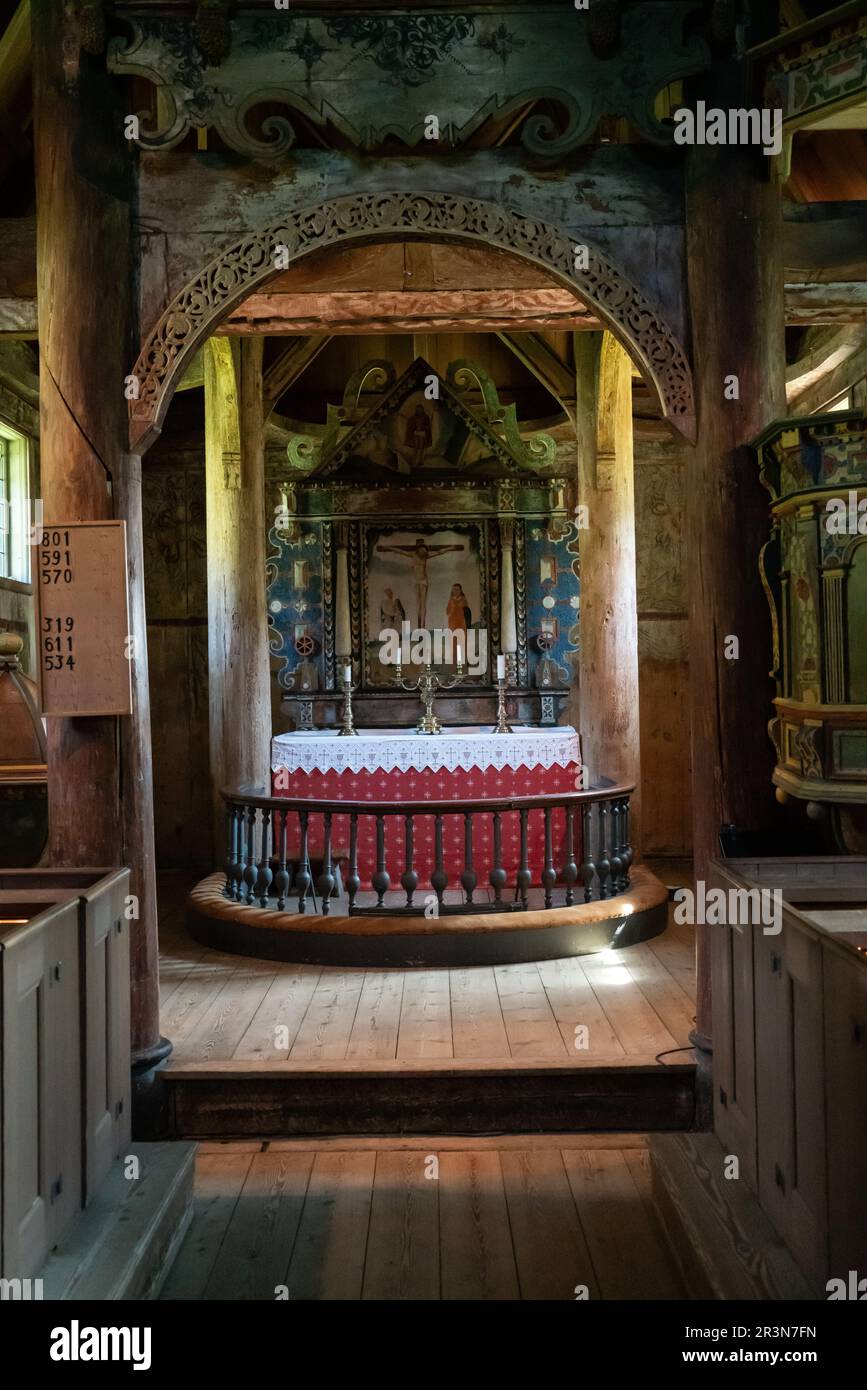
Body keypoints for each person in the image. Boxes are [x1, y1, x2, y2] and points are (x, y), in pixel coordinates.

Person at [376, 536, 464, 628]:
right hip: (416, 581)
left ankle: (423, 624)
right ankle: (419, 625)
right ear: (418, 550)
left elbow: (439, 552)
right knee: (418, 604)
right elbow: (399, 551)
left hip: (423, 580)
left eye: (424, 550)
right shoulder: (413, 555)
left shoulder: (426, 556)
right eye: (422, 550)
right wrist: (388, 548)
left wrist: (451, 548)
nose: (424, 551)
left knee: (423, 604)